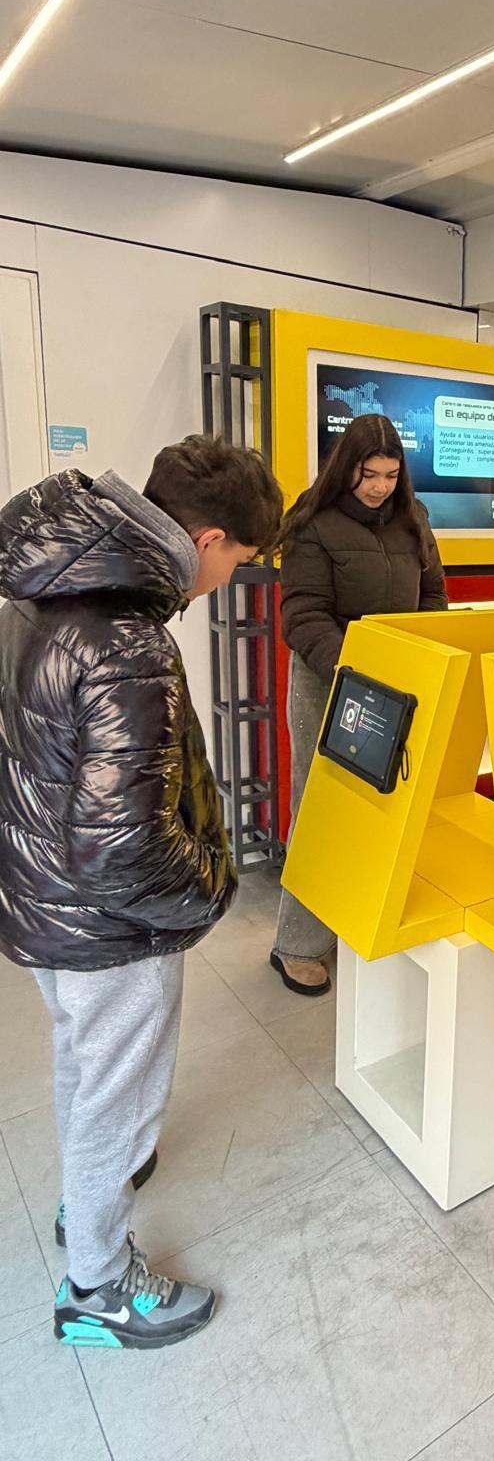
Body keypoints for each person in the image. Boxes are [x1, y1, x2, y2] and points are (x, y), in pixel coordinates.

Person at [0, 437, 283, 1348]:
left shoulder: (45, 590)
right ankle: (98, 1289)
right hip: (105, 926)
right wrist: (211, 892)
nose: (233, 575)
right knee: (116, 1094)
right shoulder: (127, 640)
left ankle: (86, 1209)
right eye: (239, 557)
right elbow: (123, 849)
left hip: (40, 897)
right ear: (206, 539)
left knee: (86, 1070)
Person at [274, 413, 448, 993]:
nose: (379, 486)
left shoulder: (412, 518)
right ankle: (296, 945)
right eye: (368, 474)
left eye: (390, 475)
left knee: (383, 810)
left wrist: (427, 652)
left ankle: (353, 925)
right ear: (344, 468)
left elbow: (432, 595)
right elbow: (302, 615)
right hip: (330, 682)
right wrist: (354, 665)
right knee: (319, 808)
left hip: (399, 684)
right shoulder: (310, 521)